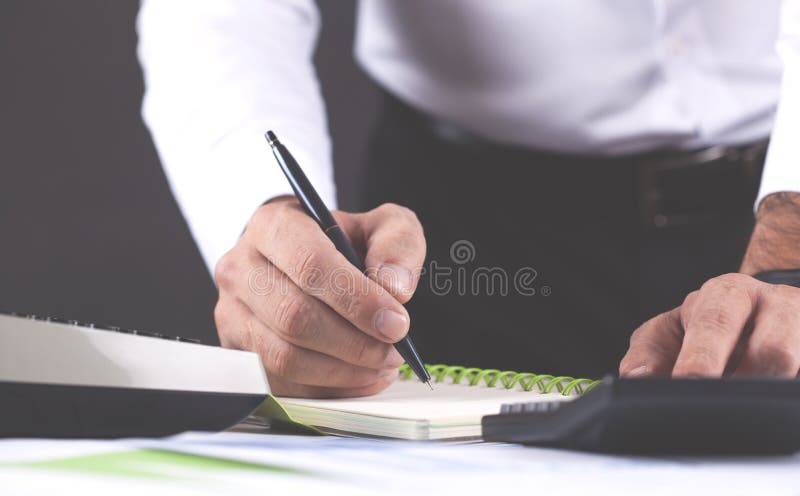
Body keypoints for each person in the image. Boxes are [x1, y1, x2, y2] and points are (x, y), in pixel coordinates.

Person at [137, 1, 800, 397]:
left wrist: (787, 258)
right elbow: (222, 14)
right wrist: (274, 226)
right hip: (464, 235)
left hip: (776, 208)